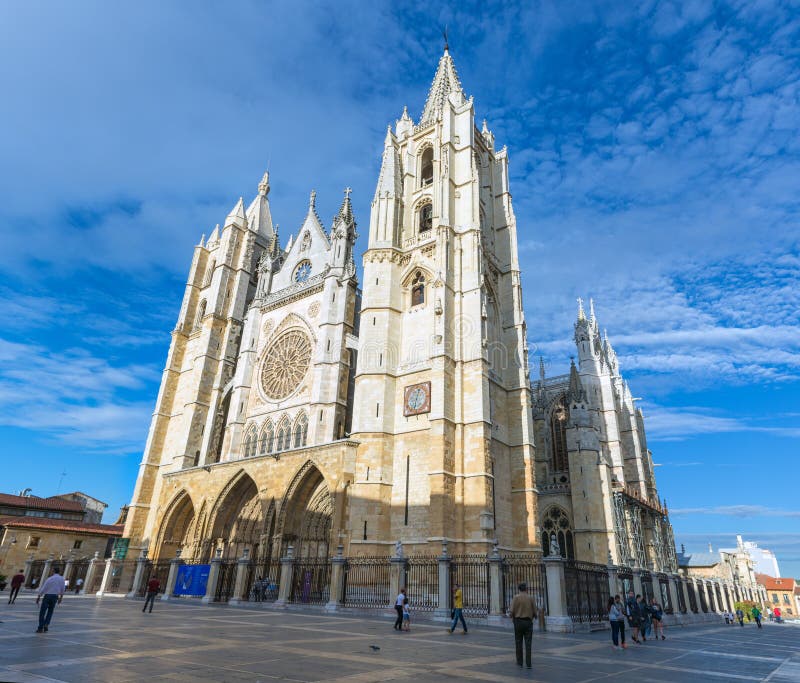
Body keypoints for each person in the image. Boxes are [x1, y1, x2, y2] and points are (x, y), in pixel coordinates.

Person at [509, 582, 538, 668]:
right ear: (526, 589)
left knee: (518, 642)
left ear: (519, 589)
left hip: (518, 622)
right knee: (528, 643)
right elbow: (535, 612)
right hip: (528, 622)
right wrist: (532, 617)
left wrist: (513, 618)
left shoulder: (516, 597)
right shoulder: (531, 598)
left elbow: (511, 612)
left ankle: (519, 662)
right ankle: (528, 663)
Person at [36, 567, 65, 633]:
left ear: (53, 571)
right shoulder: (61, 579)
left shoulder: (50, 578)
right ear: (59, 572)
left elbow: (44, 588)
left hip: (48, 596)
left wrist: (39, 596)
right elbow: (63, 589)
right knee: (50, 611)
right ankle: (46, 624)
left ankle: (40, 627)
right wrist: (61, 598)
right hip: (55, 596)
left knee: (42, 612)